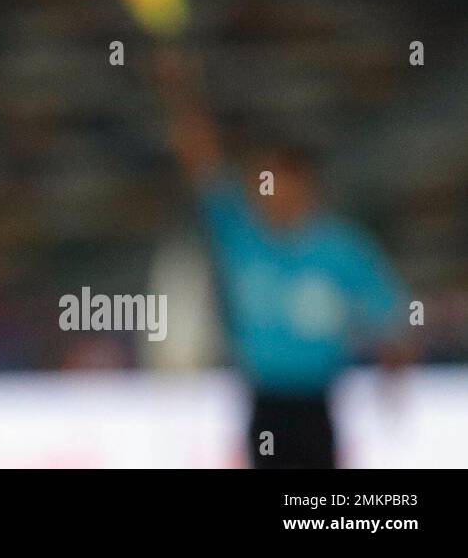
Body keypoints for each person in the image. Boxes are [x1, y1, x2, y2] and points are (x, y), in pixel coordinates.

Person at [153, 48, 409, 468]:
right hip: (262, 403)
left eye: (277, 181)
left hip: (317, 406)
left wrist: (393, 379)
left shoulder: (341, 249)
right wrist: (177, 88)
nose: (266, 191)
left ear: (306, 184)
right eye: (260, 180)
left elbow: (392, 320)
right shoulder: (241, 232)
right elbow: (201, 158)